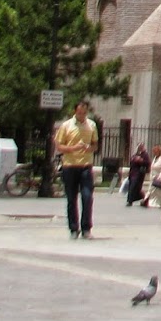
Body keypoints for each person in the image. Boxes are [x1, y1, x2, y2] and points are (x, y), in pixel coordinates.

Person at [55, 101, 99, 240]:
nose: (82, 115)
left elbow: (95, 145)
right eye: (80, 112)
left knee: (87, 197)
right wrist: (74, 148)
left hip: (86, 165)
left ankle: (86, 227)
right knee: (71, 198)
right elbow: (59, 146)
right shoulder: (66, 126)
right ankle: (73, 228)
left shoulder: (91, 125)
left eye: (84, 113)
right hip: (70, 166)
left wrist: (89, 148)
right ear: (75, 112)